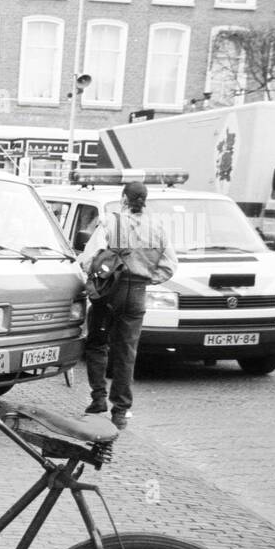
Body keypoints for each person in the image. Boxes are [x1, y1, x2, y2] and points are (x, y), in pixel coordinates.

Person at [77, 181, 178, 430]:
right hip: (137, 294)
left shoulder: (111, 222)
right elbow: (169, 266)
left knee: (97, 344)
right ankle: (120, 411)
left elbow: (90, 258)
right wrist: (145, 279)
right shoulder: (157, 227)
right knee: (127, 352)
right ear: (145, 200)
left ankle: (98, 398)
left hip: (110, 292)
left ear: (123, 199)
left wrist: (97, 273)